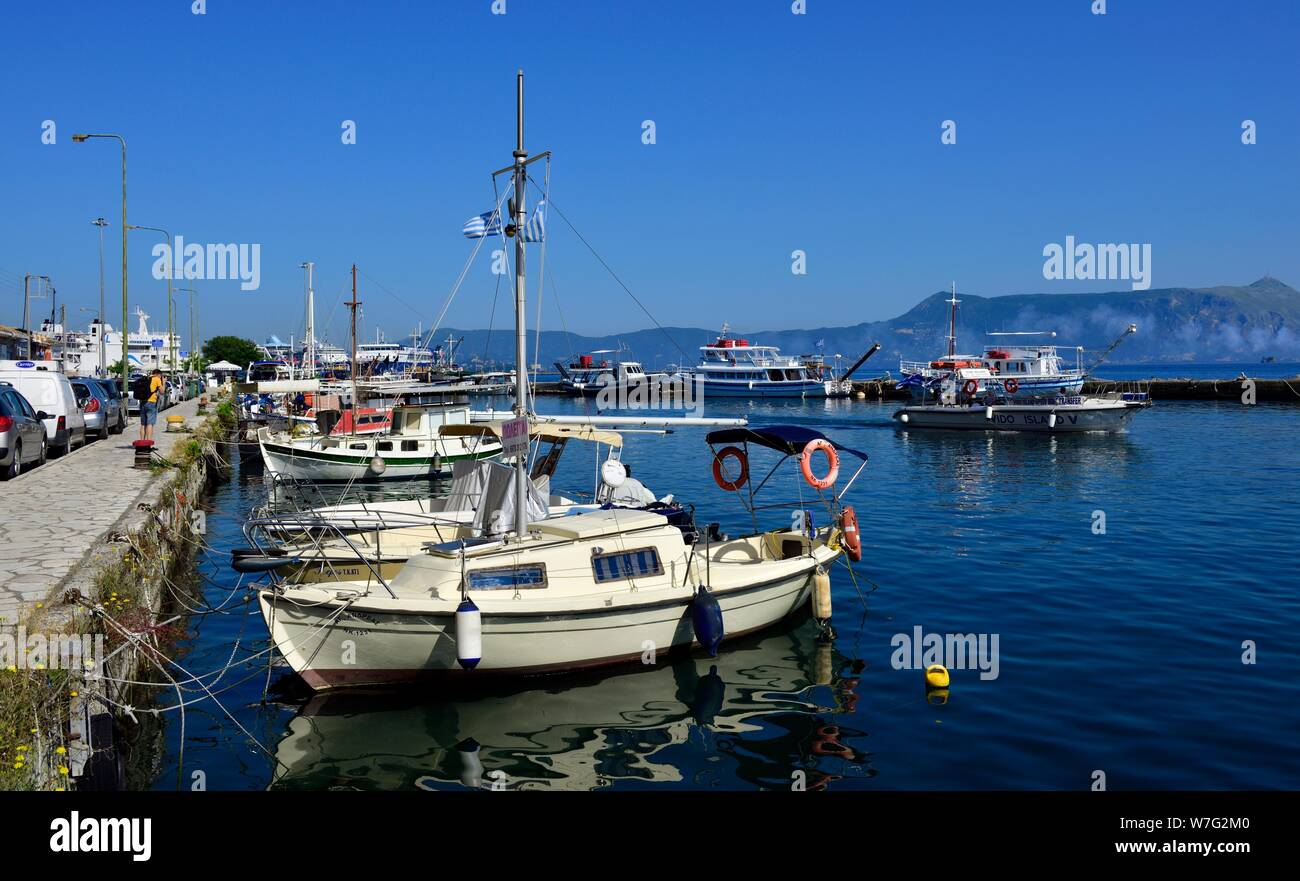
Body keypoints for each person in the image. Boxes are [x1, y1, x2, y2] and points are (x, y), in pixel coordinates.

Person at [139, 368, 163, 441]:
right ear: (158, 374)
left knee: (143, 424)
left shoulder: (145, 379)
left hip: (142, 402)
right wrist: (164, 382)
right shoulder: (157, 379)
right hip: (151, 402)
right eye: (160, 376)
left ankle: (142, 442)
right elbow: (162, 392)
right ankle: (148, 444)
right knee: (150, 424)